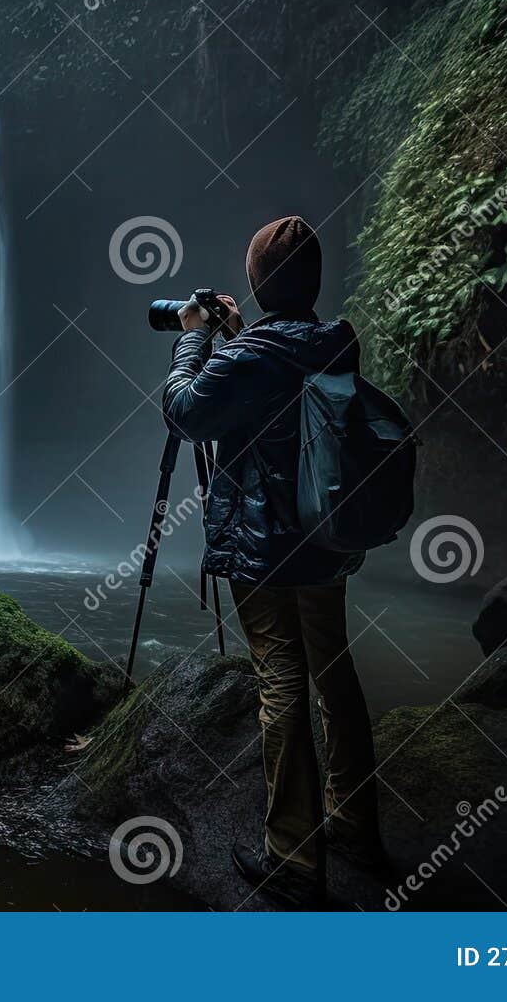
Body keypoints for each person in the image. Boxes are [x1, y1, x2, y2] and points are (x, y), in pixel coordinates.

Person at [161, 214, 386, 906]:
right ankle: (352, 823)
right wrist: (235, 336)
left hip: (265, 544)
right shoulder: (332, 342)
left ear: (256, 284)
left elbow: (188, 413)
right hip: (326, 531)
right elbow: (278, 375)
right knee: (333, 666)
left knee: (280, 677)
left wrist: (194, 339)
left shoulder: (248, 355)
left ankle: (293, 856)